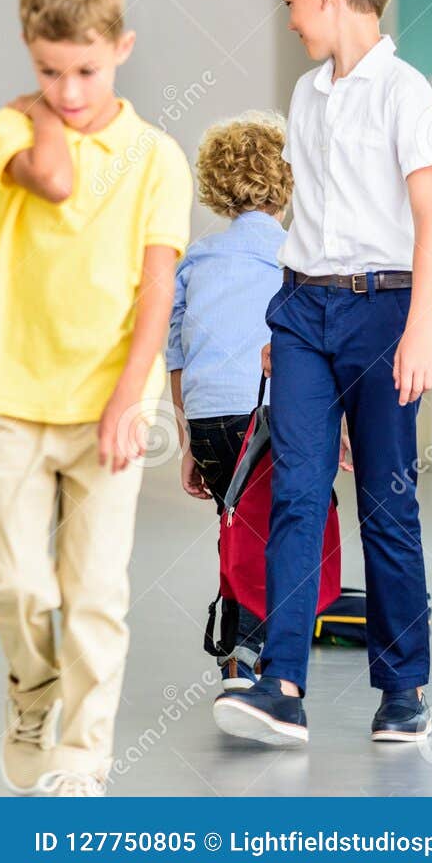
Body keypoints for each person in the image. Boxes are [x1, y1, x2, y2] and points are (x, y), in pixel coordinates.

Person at [214, 0, 432, 747]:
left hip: (385, 312)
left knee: (388, 505)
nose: (290, 21)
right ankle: (282, 684)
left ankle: (404, 690)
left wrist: (420, 331)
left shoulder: (405, 91)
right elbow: (308, 216)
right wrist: (287, 315)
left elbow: (430, 219)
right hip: (304, 309)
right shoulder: (306, 95)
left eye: (291, 2)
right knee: (298, 495)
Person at [0, 0, 191, 795]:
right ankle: (32, 692)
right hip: (9, 393)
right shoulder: (10, 129)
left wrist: (130, 400)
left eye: (86, 70)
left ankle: (84, 754)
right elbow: (51, 181)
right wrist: (41, 115)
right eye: (49, 71)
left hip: (107, 402)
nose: (67, 91)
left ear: (122, 48)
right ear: (30, 50)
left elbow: (158, 287)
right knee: (15, 582)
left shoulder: (159, 157)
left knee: (95, 593)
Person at [167, 114, 291, 690]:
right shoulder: (296, 257)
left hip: (208, 418)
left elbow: (176, 350)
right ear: (289, 183)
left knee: (236, 521)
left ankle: (237, 648)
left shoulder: (197, 258)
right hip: (266, 415)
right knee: (275, 531)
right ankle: (252, 651)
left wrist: (189, 439)